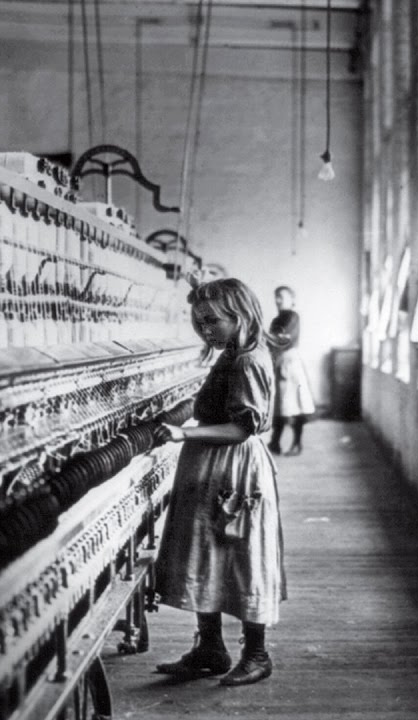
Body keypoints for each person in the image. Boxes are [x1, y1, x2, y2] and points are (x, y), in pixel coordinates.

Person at [152, 278, 286, 687]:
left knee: (243, 556)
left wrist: (182, 434)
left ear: (240, 315)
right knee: (206, 553)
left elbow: (242, 428)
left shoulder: (247, 360)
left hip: (234, 468)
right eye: (199, 321)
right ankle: (210, 648)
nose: (205, 329)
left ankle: (257, 654)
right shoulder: (233, 354)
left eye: (213, 320)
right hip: (213, 467)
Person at [267, 286, 316, 456]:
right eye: (276, 297)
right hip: (279, 363)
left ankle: (297, 443)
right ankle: (275, 442)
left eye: (281, 297)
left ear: (291, 299)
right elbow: (272, 342)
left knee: (296, 405)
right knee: (280, 406)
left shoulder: (292, 317)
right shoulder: (276, 320)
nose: (278, 300)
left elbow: (282, 339)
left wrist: (266, 338)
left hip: (290, 363)